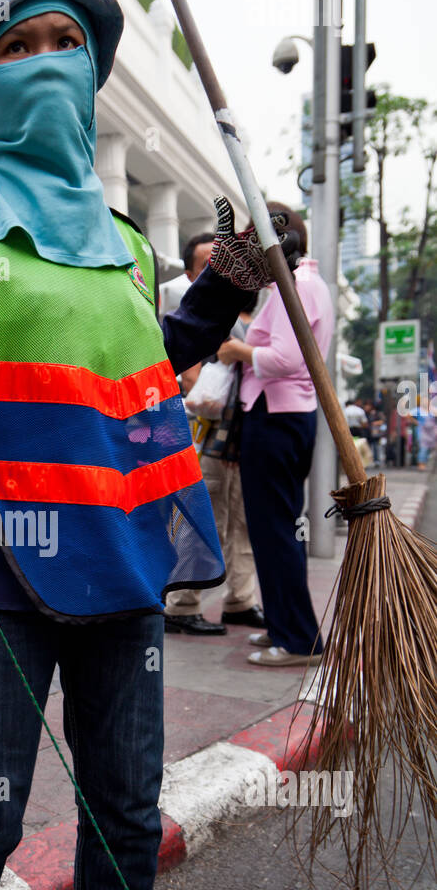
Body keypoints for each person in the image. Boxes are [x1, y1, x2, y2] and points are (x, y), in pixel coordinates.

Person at [0, 0, 296, 890]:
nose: (47, 61)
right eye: (19, 45)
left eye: (66, 41)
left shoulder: (121, 240)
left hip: (120, 549)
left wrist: (224, 286)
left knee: (120, 802)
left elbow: (142, 370)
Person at [218, 205, 333, 667]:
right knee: (271, 530)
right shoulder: (302, 284)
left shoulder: (297, 286)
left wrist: (236, 350)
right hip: (282, 416)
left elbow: (286, 356)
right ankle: (286, 627)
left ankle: (298, 638)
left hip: (277, 416)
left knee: (275, 530)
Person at [164, 235, 264, 636]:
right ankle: (181, 605)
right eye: (208, 263)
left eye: (222, 260)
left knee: (239, 521)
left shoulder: (237, 319)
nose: (217, 269)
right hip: (203, 440)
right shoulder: (183, 321)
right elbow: (189, 380)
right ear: (190, 273)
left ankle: (240, 599)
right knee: (199, 521)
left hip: (236, 443)